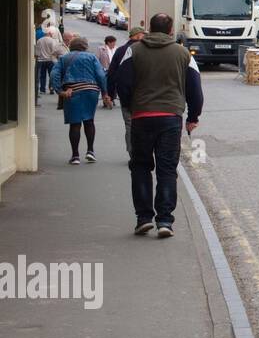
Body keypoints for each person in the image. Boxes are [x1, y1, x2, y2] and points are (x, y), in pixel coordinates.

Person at [115, 13, 204, 238]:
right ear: (170, 30)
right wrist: (193, 116)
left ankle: (143, 218)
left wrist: (131, 106)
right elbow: (195, 88)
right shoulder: (183, 53)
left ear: (151, 29)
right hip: (171, 116)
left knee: (140, 167)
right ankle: (165, 221)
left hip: (141, 116)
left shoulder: (132, 50)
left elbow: (122, 82)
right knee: (166, 169)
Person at [50, 36, 110, 165]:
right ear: (85, 46)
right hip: (91, 91)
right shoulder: (92, 57)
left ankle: (75, 156)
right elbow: (100, 75)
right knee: (89, 121)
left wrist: (60, 91)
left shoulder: (64, 58)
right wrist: (105, 93)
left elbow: (54, 75)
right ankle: (90, 151)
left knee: (75, 123)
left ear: (71, 46)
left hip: (72, 91)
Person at [107, 26, 147, 157]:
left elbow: (112, 74)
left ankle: (132, 153)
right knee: (144, 125)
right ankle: (144, 152)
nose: (145, 37)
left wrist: (110, 94)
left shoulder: (120, 50)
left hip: (126, 96)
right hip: (145, 96)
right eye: (143, 34)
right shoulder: (145, 50)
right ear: (137, 36)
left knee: (130, 125)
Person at [34, 25, 68, 103]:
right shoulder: (52, 41)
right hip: (50, 60)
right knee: (51, 75)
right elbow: (54, 51)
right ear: (49, 33)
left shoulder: (39, 40)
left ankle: (42, 89)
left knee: (42, 76)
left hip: (41, 60)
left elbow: (37, 52)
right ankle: (51, 88)